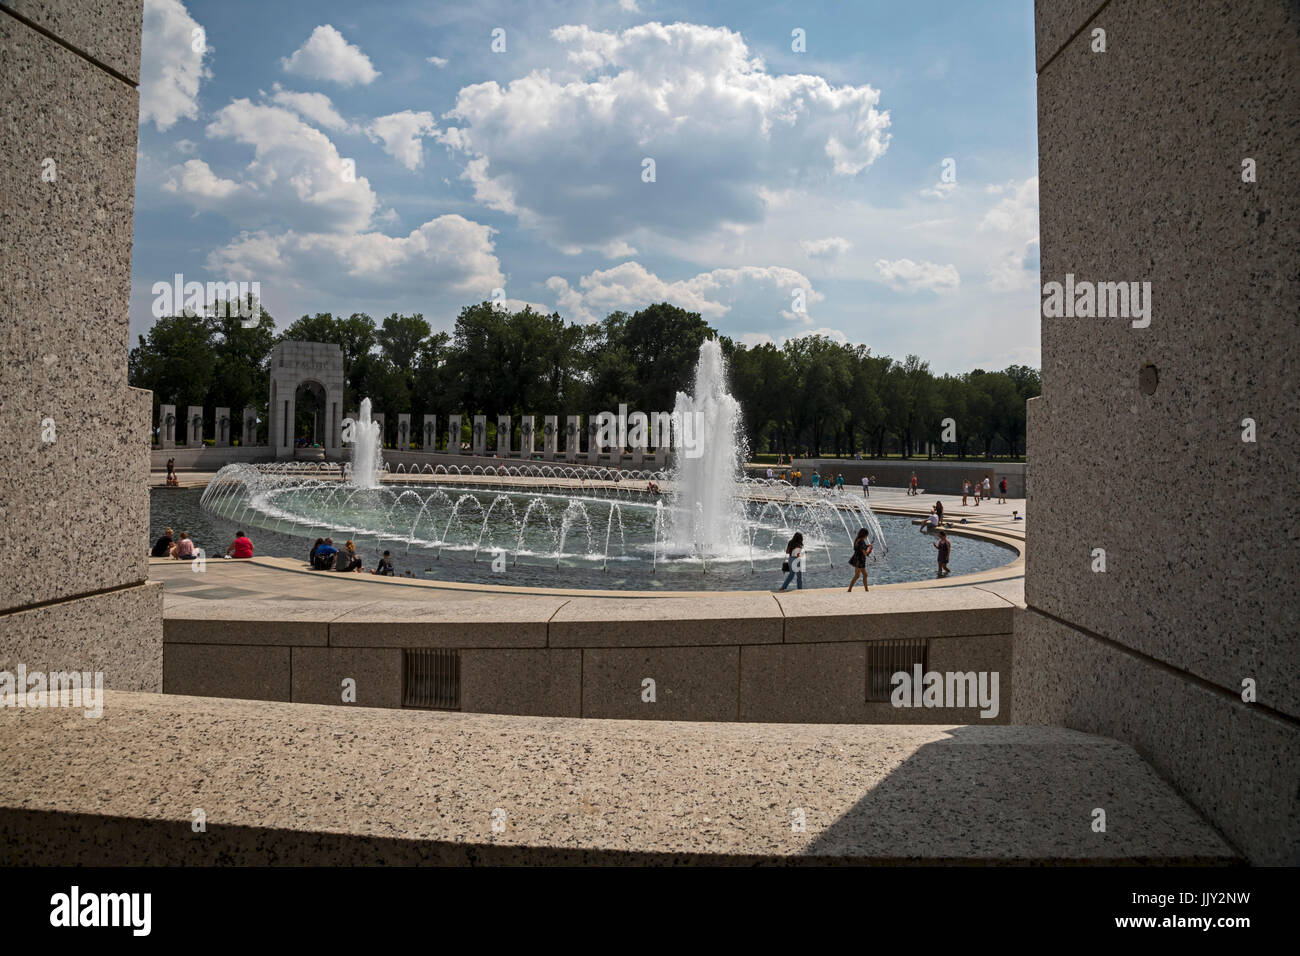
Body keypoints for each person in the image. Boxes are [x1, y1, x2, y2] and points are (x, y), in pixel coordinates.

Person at [848, 528, 872, 592]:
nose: (867, 537)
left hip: (857, 559)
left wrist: (868, 546)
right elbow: (865, 553)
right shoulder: (861, 541)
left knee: (859, 575)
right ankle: (865, 590)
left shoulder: (857, 540)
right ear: (865, 535)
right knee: (862, 575)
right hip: (860, 560)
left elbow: (861, 548)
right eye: (867, 535)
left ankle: (850, 589)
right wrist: (870, 549)